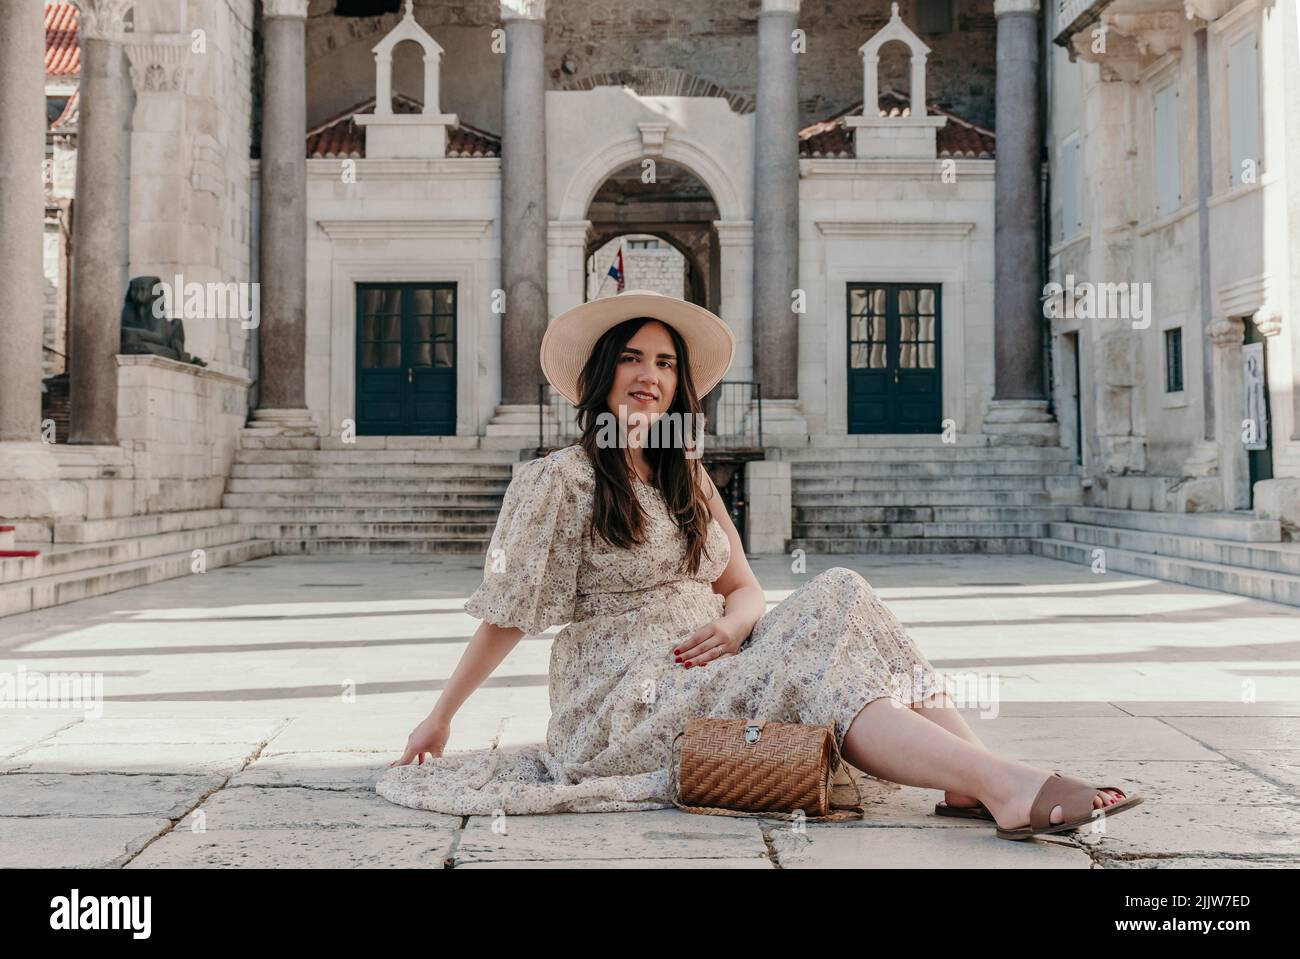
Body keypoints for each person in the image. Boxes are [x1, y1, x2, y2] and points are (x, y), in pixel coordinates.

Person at [375, 289, 1144, 840]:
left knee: (843, 589)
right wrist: (441, 713)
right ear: (601, 374)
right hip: (620, 698)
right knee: (812, 672)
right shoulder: (561, 478)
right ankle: (1000, 783)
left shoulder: (687, 472)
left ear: (680, 385)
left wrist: (737, 621)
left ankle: (970, 774)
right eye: (634, 359)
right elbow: (508, 611)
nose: (651, 375)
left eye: (667, 364)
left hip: (710, 659)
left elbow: (742, 587)